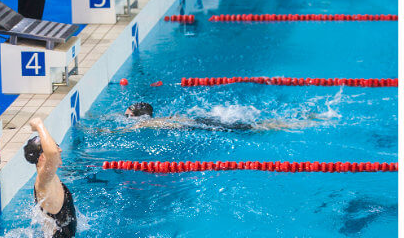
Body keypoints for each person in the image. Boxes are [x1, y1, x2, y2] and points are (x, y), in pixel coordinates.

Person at [120, 102, 325, 131]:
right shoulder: (152, 120)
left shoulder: (145, 124)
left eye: (128, 112)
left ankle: (301, 122)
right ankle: (300, 119)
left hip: (203, 124)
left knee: (254, 128)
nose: (125, 114)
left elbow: (119, 129)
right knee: (253, 125)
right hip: (201, 121)